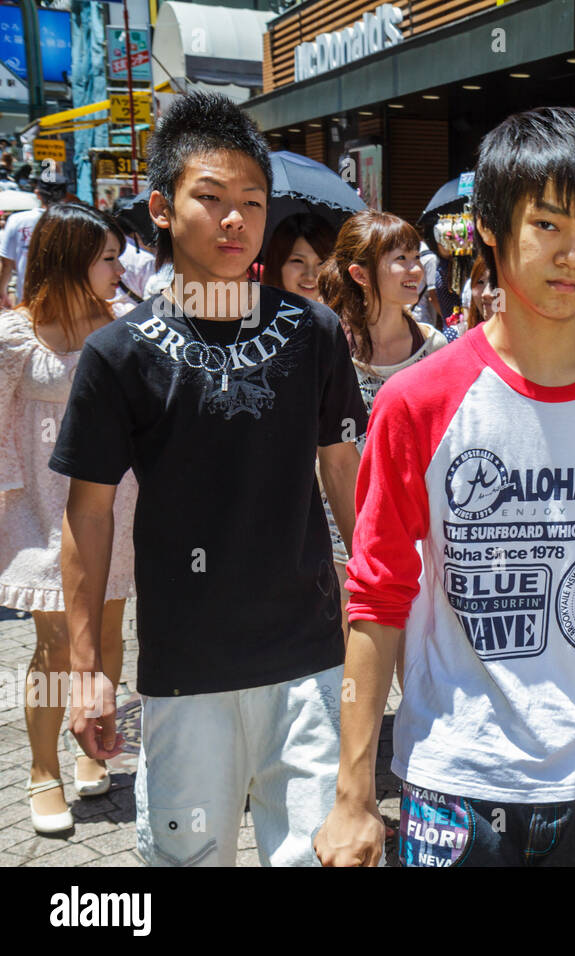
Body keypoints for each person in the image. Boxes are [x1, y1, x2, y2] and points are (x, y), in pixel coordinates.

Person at [313, 107, 575, 868]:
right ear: (493, 228)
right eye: (550, 227)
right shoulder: (417, 402)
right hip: (450, 783)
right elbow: (375, 597)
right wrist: (352, 794)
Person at [53, 91, 367, 867]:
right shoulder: (118, 354)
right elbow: (87, 515)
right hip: (185, 671)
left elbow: (343, 473)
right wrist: (87, 671)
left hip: (310, 659)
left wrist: (379, 605)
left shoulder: (314, 333)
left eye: (252, 202)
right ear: (161, 207)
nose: (235, 220)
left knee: (320, 858)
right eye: (212, 198)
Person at [0, 204, 137, 834]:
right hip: (39, 512)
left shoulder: (129, 326)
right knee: (57, 647)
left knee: (108, 640)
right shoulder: (14, 337)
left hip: (116, 507)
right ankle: (40, 770)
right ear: (69, 258)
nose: (118, 267)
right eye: (107, 256)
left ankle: (96, 737)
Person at [318, 209, 446, 632]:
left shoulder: (434, 346)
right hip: (339, 532)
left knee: (416, 665)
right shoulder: (330, 347)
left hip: (413, 533)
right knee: (347, 660)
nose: (414, 269)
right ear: (360, 273)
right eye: (400, 259)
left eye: (415, 257)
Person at [0, 174, 69, 309]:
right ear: (65, 196)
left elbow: (6, 264)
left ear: (37, 193)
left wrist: (2, 291)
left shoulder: (17, 220)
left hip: (27, 301)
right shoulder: (74, 222)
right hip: (66, 302)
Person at [264, 212, 334, 304]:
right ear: (277, 263)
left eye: (321, 263)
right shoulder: (254, 313)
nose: (310, 276)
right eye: (298, 261)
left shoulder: (347, 316)